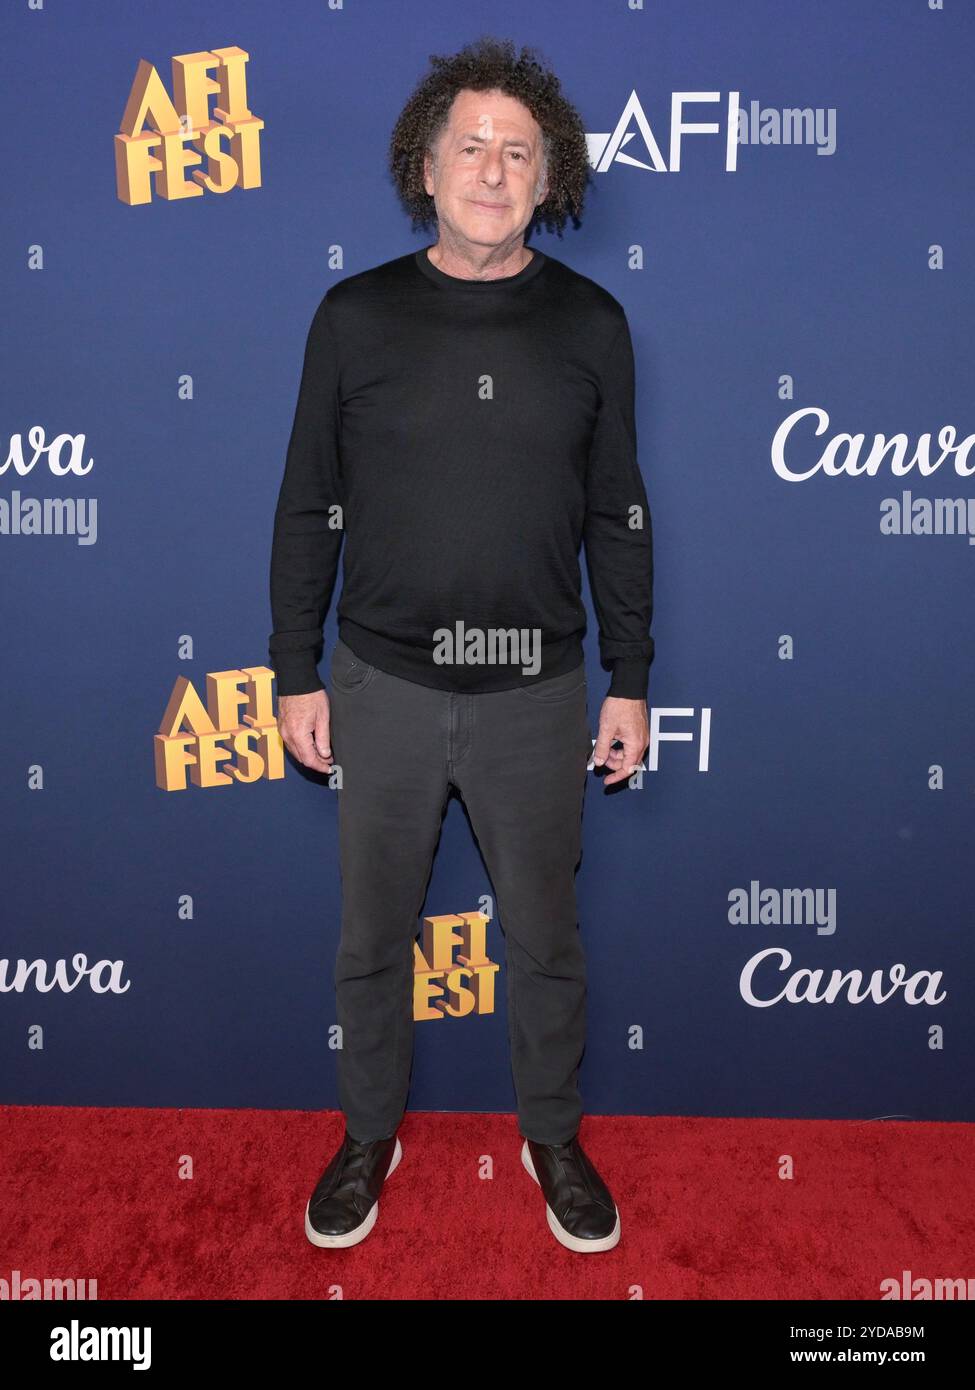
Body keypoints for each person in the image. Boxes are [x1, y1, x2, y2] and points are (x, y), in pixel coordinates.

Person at [269, 36, 653, 1255]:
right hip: (377, 687)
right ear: (425, 168)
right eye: (471, 147)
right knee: (370, 942)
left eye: (518, 153)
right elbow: (307, 503)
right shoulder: (354, 316)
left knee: (545, 941)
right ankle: (366, 1135)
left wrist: (632, 677)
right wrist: (292, 670)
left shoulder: (592, 324)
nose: (493, 171)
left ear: (550, 178)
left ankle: (553, 1137)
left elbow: (617, 511)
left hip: (537, 697)